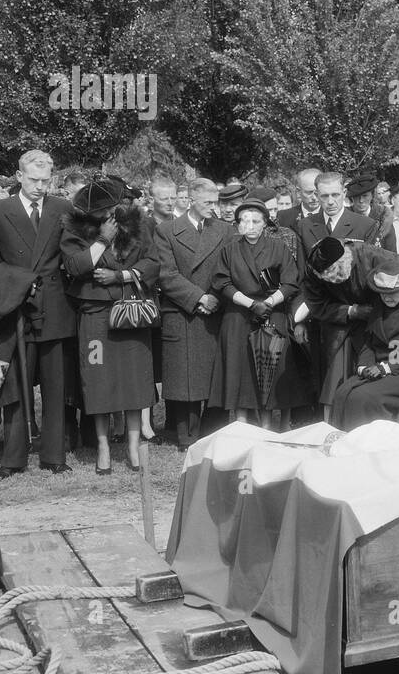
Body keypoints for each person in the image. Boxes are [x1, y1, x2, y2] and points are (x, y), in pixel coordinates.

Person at [0, 149, 77, 475]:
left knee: (55, 385)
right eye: (33, 180)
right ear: (18, 176)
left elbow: (72, 256)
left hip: (55, 307)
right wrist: (15, 282)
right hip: (15, 309)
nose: (39, 187)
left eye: (45, 181)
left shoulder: (62, 208)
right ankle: (13, 457)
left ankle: (54, 455)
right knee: (15, 386)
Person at [61, 177, 160, 473]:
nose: (110, 214)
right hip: (95, 316)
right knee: (99, 380)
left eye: (113, 207)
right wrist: (102, 240)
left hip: (131, 315)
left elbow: (153, 264)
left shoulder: (138, 225)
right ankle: (103, 446)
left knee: (135, 381)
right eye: (103, 210)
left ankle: (132, 445)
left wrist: (123, 276)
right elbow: (76, 267)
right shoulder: (74, 230)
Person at [295, 236, 399, 418]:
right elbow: (317, 304)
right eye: (327, 277)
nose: (333, 280)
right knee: (337, 379)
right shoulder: (313, 271)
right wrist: (351, 311)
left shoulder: (367, 254)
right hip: (343, 325)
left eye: (336, 271)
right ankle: (334, 423)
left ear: (345, 258)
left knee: (381, 374)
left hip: (383, 321)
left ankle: (379, 421)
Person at [208, 199, 305, 428]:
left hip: (272, 315)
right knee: (240, 373)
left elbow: (291, 282)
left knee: (272, 370)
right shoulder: (229, 249)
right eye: (244, 221)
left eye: (255, 221)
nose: (249, 226)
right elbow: (222, 283)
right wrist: (251, 304)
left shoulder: (278, 247)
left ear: (265, 223)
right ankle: (241, 425)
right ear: (238, 224)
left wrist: (268, 303)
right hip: (239, 316)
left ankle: (270, 427)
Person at [154, 178, 228, 449]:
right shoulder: (167, 230)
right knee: (186, 380)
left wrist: (216, 296)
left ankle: (214, 429)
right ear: (191, 200)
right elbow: (166, 274)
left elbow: (229, 269)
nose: (213, 207)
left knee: (213, 377)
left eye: (215, 202)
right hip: (183, 312)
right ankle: (186, 434)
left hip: (215, 312)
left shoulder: (224, 230)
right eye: (208, 202)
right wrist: (199, 297)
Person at [329, 269, 399, 429]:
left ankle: (375, 446)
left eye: (394, 292)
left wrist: (386, 368)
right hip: (383, 368)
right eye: (383, 293)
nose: (388, 297)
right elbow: (369, 341)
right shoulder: (378, 303)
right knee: (343, 393)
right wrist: (364, 366)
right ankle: (346, 445)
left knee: (364, 397)